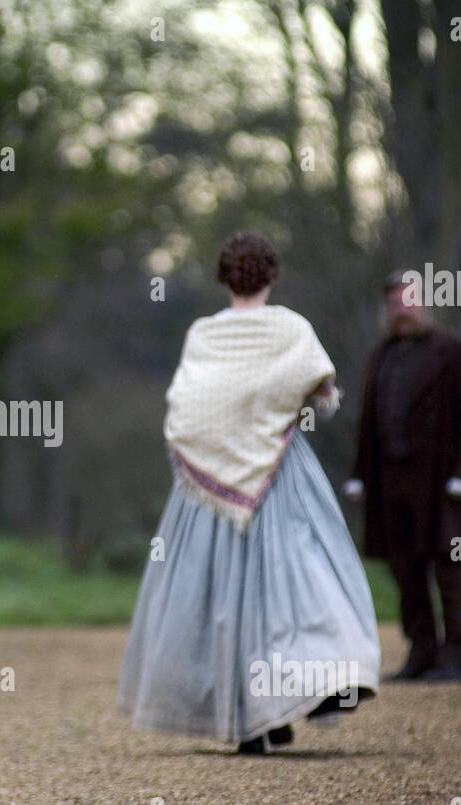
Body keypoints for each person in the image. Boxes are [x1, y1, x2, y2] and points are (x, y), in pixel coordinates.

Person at [117, 233, 380, 755]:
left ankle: (251, 720)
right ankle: (318, 684)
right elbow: (322, 398)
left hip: (209, 487)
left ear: (223, 278)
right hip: (279, 478)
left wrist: (223, 447)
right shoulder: (290, 328)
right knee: (304, 580)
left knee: (220, 600)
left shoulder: (203, 334)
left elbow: (190, 408)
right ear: (272, 276)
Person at [342, 270, 461, 682]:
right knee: (405, 572)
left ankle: (458, 658)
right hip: (391, 485)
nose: (401, 309)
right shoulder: (381, 355)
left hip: (442, 485)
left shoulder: (454, 351)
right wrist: (359, 474)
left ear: (425, 303)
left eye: (408, 300)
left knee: (451, 570)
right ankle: (422, 652)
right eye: (393, 303)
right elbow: (368, 421)